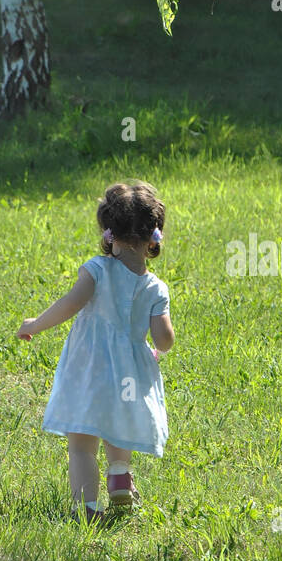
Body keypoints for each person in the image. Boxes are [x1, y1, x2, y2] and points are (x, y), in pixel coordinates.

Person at [17, 181, 174, 523]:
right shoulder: (156, 287)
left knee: (82, 443)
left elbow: (70, 305)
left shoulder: (97, 270)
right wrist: (154, 346)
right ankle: (119, 475)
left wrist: (35, 324)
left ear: (108, 234)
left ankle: (87, 509)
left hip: (90, 368)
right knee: (120, 424)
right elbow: (164, 339)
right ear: (153, 239)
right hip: (131, 372)